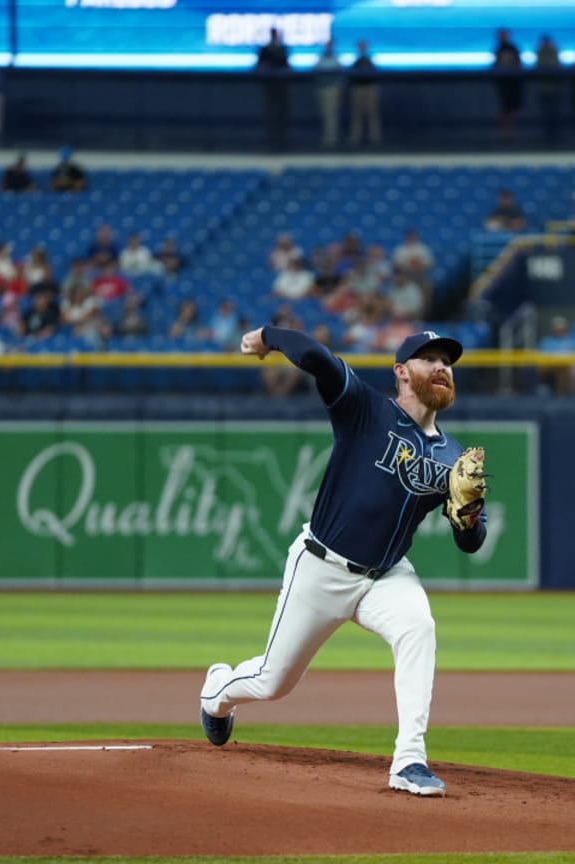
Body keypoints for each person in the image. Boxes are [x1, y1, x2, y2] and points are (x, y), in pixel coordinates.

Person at [202, 327, 489, 798]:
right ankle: (216, 692)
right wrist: (268, 337)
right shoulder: (365, 409)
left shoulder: (454, 457)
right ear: (401, 372)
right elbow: (316, 355)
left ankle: (410, 760)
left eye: (448, 362)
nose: (442, 367)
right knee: (273, 682)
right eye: (429, 358)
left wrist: (469, 517)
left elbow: (470, 543)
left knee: (419, 627)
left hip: (387, 577)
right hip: (321, 567)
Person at [256, 28, 291, 151]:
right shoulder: (264, 50)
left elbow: (288, 67)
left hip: (281, 86)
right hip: (269, 86)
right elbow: (258, 67)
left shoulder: (282, 49)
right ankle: (270, 140)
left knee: (282, 113)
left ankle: (282, 141)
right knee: (270, 113)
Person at [492, 29, 525, 141]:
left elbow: (519, 64)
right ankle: (505, 134)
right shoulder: (498, 49)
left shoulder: (513, 48)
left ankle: (510, 134)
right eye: (501, 35)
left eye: (504, 35)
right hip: (503, 84)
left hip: (513, 84)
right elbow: (495, 65)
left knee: (512, 109)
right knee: (504, 109)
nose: (502, 37)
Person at [348, 40, 381, 145]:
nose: (362, 48)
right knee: (356, 113)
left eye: (363, 46)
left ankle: (375, 137)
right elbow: (351, 74)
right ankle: (355, 136)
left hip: (370, 88)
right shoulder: (355, 60)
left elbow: (375, 73)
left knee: (372, 113)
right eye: (360, 46)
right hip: (358, 88)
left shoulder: (371, 59)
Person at [313, 41, 343, 148]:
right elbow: (316, 69)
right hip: (321, 88)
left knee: (331, 114)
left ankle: (332, 138)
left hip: (332, 89)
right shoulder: (320, 57)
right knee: (323, 113)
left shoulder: (336, 58)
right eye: (326, 45)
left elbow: (340, 74)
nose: (328, 47)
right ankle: (325, 136)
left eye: (330, 45)